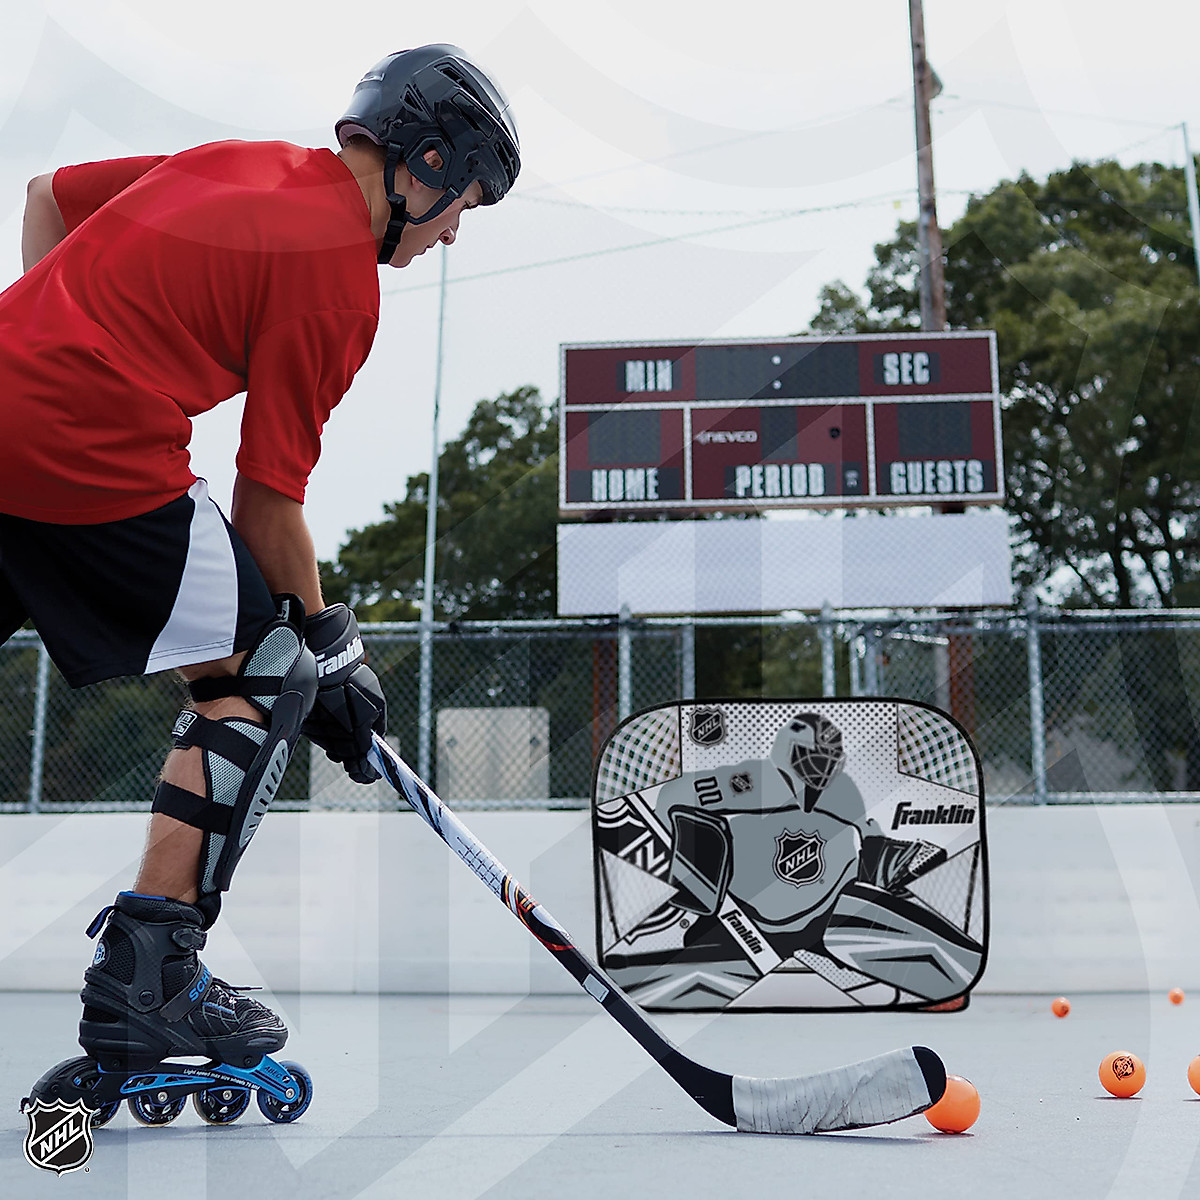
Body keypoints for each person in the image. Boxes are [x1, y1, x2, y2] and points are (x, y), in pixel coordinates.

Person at [11, 44, 519, 1121]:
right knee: (263, 677)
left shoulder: (236, 160)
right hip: (95, 450)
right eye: (463, 201)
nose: (457, 230)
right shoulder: (340, 284)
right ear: (423, 166)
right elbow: (268, 502)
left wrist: (45, 338)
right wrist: (333, 651)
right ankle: (152, 979)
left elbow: (48, 197)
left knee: (263, 651)